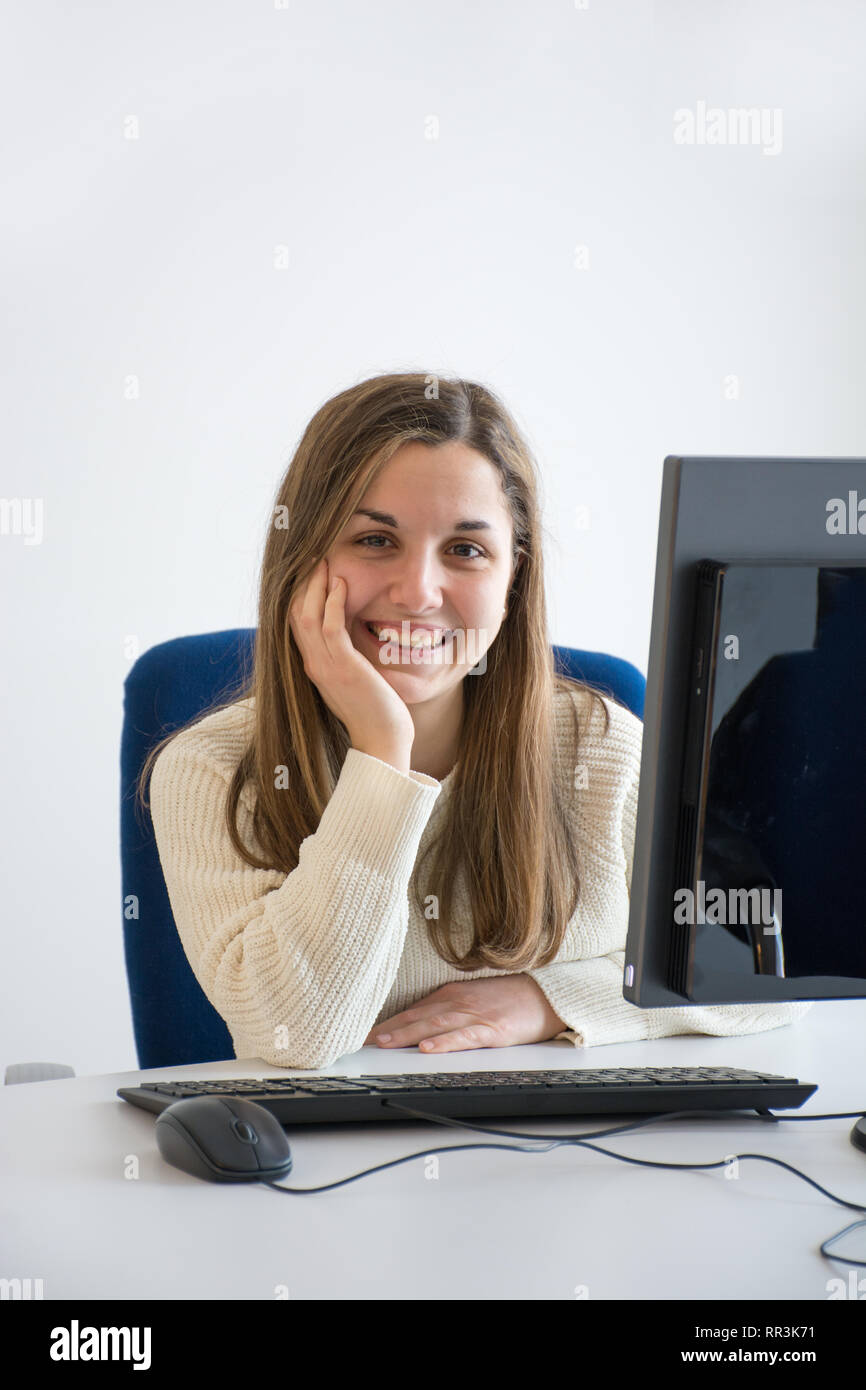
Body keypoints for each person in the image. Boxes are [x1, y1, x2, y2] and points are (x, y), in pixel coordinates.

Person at [140, 371, 811, 1069]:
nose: (418, 592)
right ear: (303, 558)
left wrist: (551, 999)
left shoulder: (601, 750)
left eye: (465, 550)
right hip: (334, 1165)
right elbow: (297, 1035)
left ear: (513, 575)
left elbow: (766, 968)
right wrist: (382, 754)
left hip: (567, 1158)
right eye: (374, 540)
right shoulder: (212, 771)